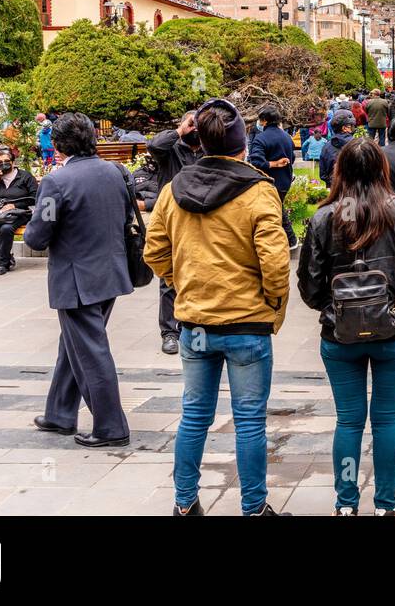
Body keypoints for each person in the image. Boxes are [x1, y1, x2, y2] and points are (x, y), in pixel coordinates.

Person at [144, 99, 292, 516]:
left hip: (195, 321)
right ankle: (253, 507)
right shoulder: (259, 190)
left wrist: (181, 284)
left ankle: (185, 502)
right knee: (248, 422)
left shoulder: (175, 190)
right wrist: (271, 302)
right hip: (247, 323)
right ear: (243, 146)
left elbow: (154, 251)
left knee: (194, 416)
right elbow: (276, 264)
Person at [298, 137, 395, 515]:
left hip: (340, 334)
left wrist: (331, 308)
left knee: (348, 421)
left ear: (340, 171)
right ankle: (385, 503)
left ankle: (346, 504)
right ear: (383, 170)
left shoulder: (325, 217)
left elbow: (310, 285)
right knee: (386, 420)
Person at [24, 113, 133, 448]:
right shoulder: (115, 172)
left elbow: (37, 237)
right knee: (75, 345)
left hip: (76, 279)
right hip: (110, 273)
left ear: (57, 145)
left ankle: (111, 426)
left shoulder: (57, 182)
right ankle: (59, 413)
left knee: (90, 352)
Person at [149, 110, 203, 355]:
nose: (194, 129)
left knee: (201, 273)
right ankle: (170, 332)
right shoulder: (170, 152)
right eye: (191, 124)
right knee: (169, 277)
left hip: (202, 220)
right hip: (172, 221)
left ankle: (196, 323)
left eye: (197, 125)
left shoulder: (208, 152)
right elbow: (154, 145)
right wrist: (181, 130)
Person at [0, 151, 38, 275]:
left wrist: (14, 205)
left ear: (13, 162)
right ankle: (7, 258)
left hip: (19, 213)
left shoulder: (25, 177)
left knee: (6, 228)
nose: (3, 164)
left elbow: (35, 197)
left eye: (6, 161)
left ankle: (2, 264)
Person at [247, 106, 297, 248]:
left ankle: (288, 240)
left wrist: (273, 164)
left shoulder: (260, 138)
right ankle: (287, 240)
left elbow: (256, 161)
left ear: (264, 121)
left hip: (268, 182)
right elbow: (291, 158)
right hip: (285, 181)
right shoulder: (287, 137)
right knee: (276, 209)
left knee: (274, 212)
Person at [318, 109, 356, 186]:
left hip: (333, 189)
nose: (353, 129)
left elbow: (323, 174)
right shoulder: (358, 145)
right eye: (351, 126)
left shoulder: (326, 147)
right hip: (355, 190)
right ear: (345, 128)